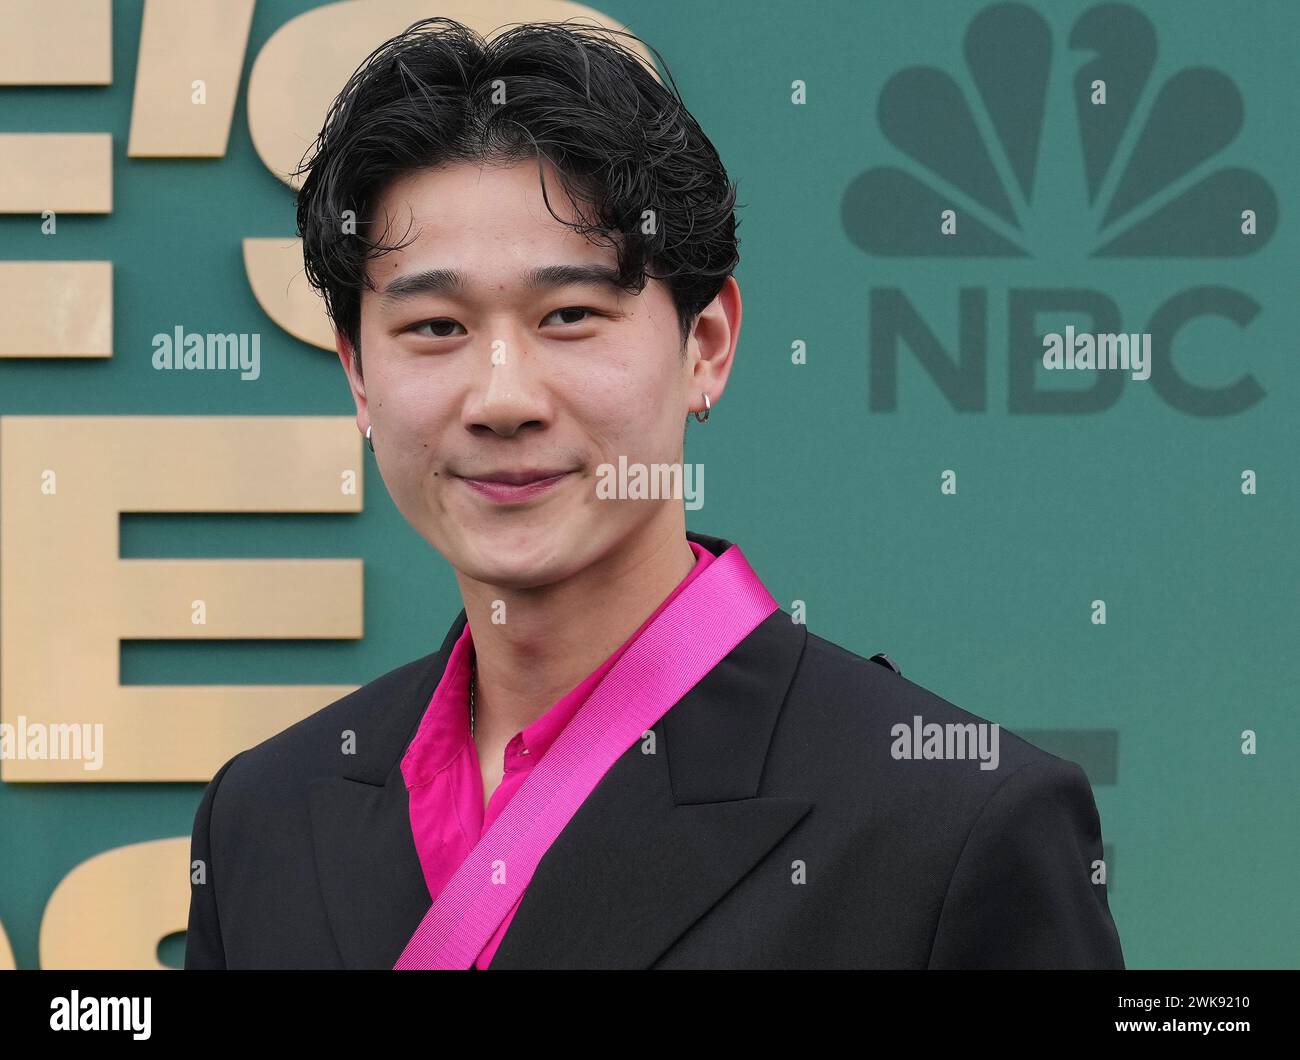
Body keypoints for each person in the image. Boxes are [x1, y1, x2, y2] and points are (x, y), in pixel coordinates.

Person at [184, 16, 1124, 969]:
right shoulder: (263, 818)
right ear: (357, 376)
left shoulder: (953, 825)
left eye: (570, 315)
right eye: (434, 327)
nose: (502, 398)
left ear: (705, 345)